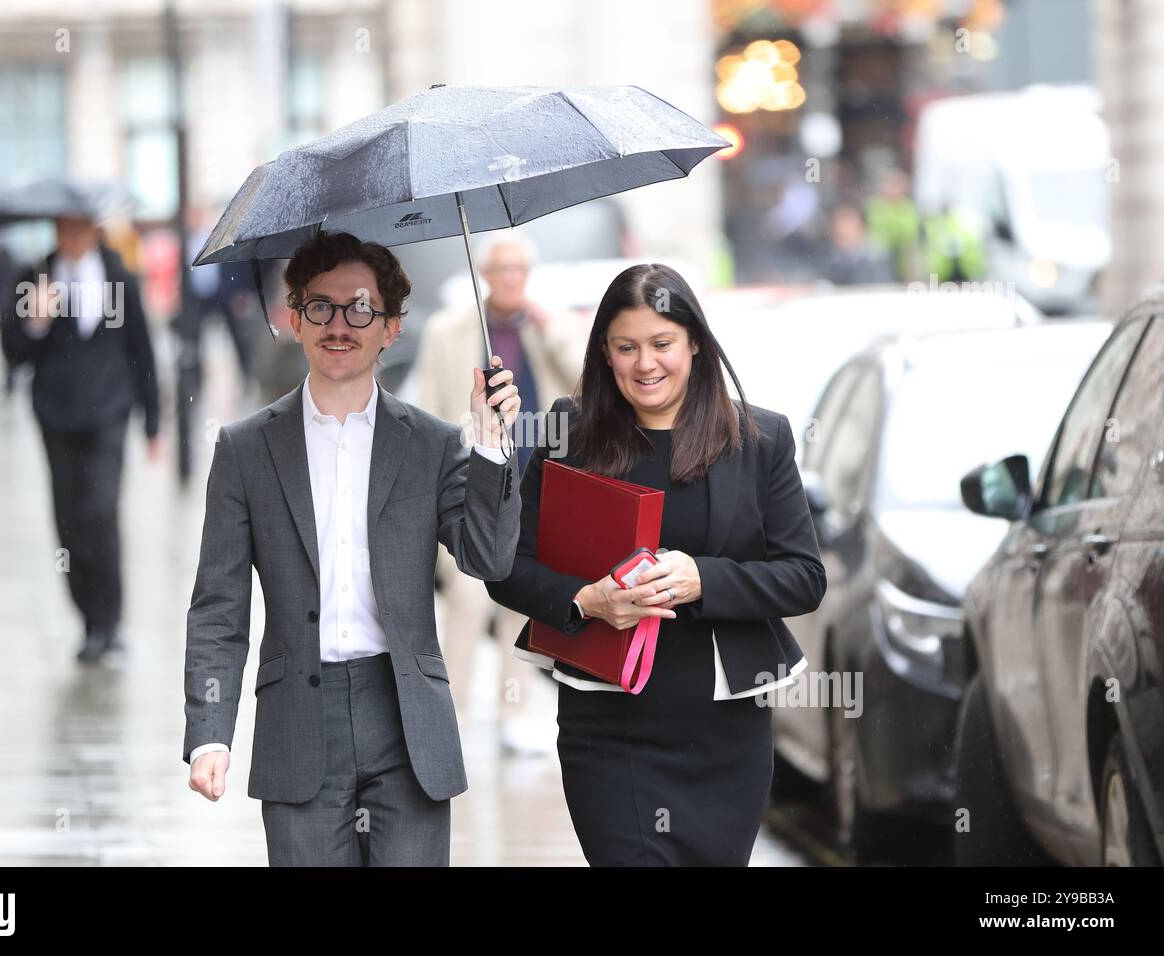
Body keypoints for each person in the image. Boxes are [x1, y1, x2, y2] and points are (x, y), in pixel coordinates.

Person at [183, 231, 522, 867]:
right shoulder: (245, 450)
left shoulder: (432, 444)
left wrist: (491, 445)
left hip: (406, 722)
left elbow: (488, 558)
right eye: (321, 307)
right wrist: (209, 734)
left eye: (361, 308)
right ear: (293, 318)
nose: (341, 325)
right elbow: (218, 608)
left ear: (391, 327)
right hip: (297, 723)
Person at [486, 263, 827, 866]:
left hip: (725, 737)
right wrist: (588, 601)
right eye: (626, 347)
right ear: (605, 353)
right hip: (608, 732)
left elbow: (803, 575)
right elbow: (506, 566)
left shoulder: (760, 439)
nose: (646, 364)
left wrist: (706, 578)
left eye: (661, 344)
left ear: (694, 342)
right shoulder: (569, 432)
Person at [413, 235, 583, 746]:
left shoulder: (550, 324)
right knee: (468, 600)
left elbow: (586, 385)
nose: (511, 279)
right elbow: (429, 404)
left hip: (536, 484)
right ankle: (455, 713)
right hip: (472, 487)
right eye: (502, 270)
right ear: (485, 274)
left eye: (520, 270)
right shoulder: (451, 330)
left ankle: (514, 715)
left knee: (521, 600)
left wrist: (551, 333)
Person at [2, 214, 162, 663]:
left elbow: (141, 348)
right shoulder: (33, 278)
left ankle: (110, 620)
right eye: (62, 229)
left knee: (101, 511)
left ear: (95, 231)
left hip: (109, 413)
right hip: (55, 416)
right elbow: (12, 352)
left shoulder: (120, 278)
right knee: (69, 517)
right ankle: (88, 619)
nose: (70, 238)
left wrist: (153, 421)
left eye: (79, 229)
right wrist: (34, 321)